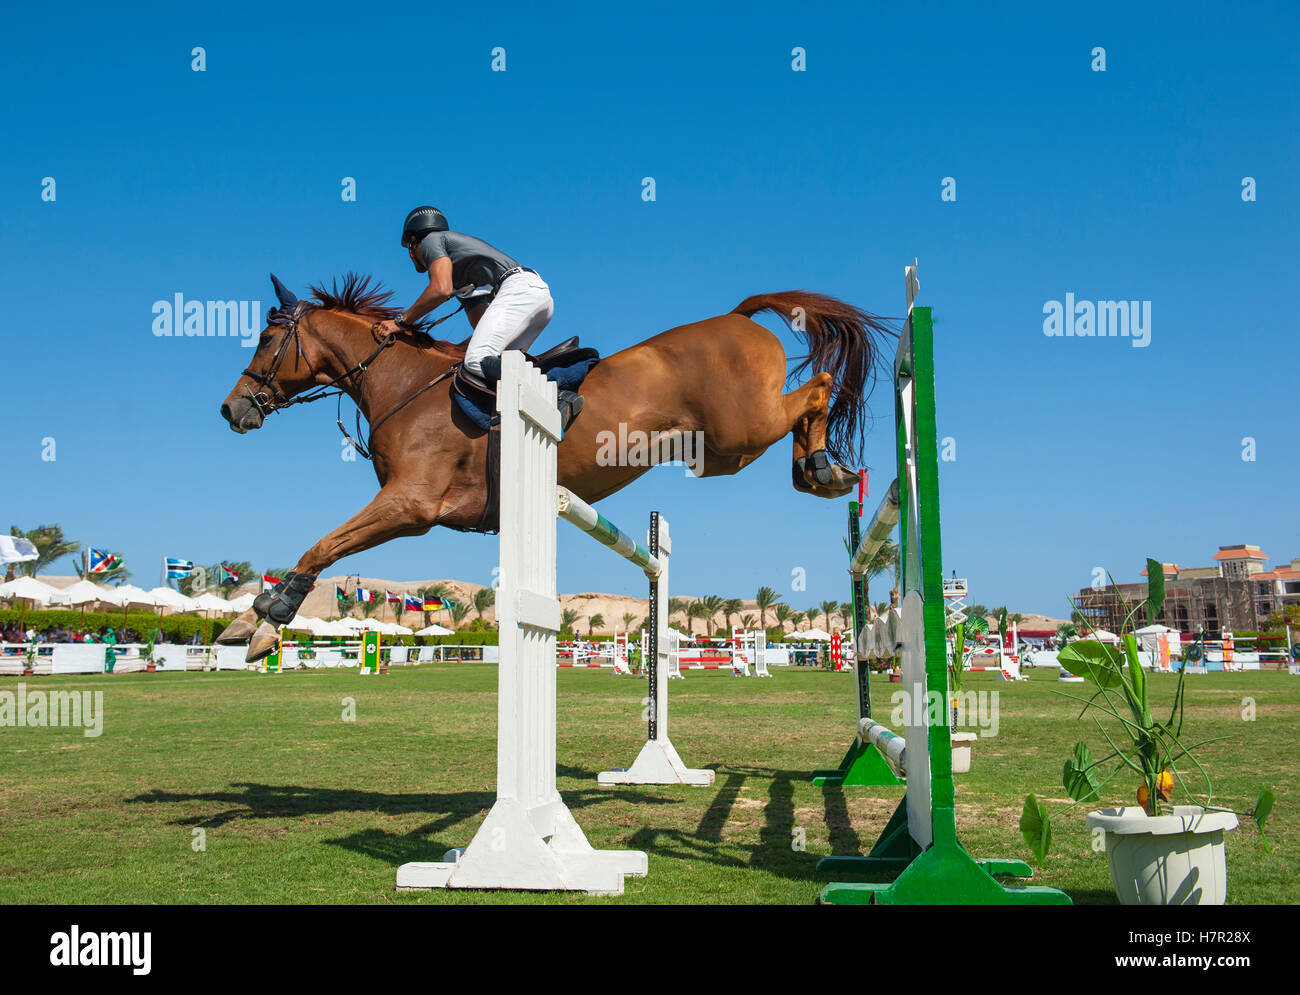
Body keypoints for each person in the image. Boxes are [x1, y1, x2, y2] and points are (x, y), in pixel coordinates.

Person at [375, 206, 583, 426]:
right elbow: (481, 324)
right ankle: (547, 401)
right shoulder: (461, 275)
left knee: (476, 359)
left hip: (519, 289)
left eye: (410, 249)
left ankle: (557, 396)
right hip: (536, 298)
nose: (414, 256)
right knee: (496, 361)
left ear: (414, 240)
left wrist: (400, 322)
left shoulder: (431, 240)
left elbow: (440, 289)